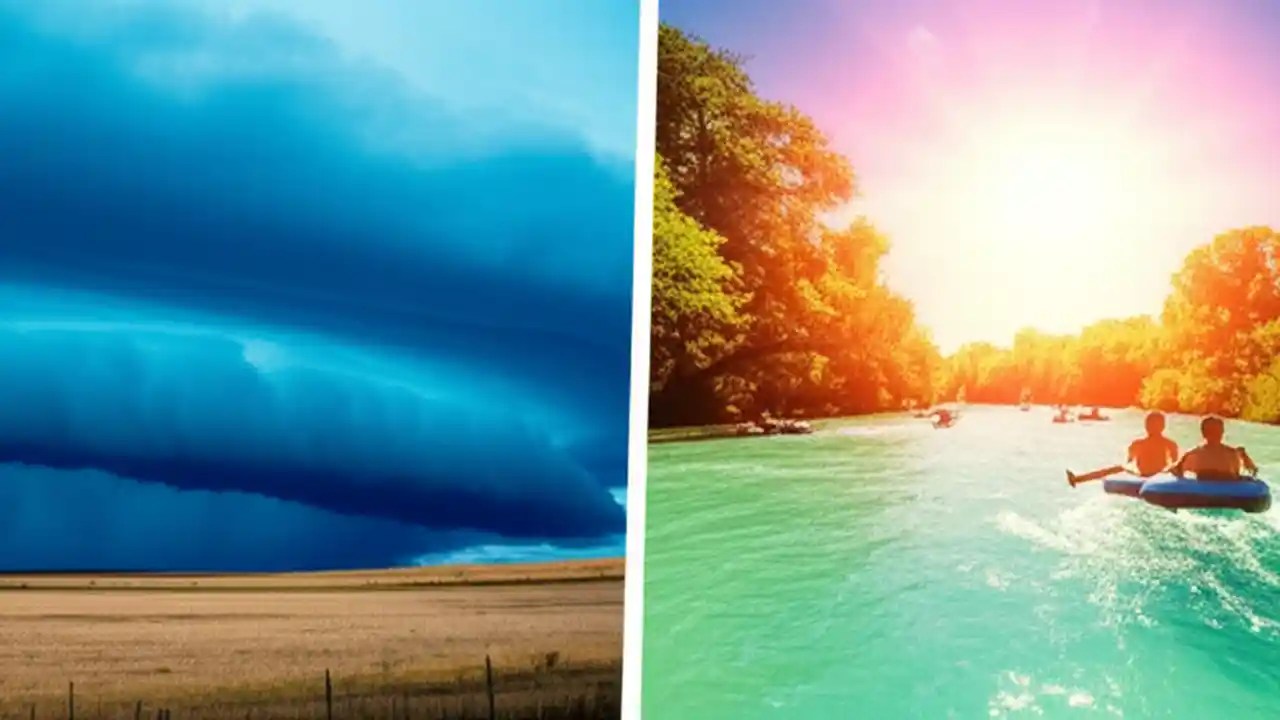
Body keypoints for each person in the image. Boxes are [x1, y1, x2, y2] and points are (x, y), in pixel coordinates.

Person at [1066, 411, 1178, 487]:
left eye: (1155, 425)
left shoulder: (1169, 445)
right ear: (1145, 426)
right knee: (1119, 467)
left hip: (1160, 476)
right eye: (1149, 424)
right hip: (1140, 475)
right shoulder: (1137, 444)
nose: (1151, 427)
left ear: (1162, 426)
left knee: (1122, 467)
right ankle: (1078, 479)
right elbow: (1129, 463)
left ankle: (1078, 479)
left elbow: (1175, 466)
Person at [1170, 416, 1258, 481]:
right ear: (1222, 432)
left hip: (1204, 491)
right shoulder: (1233, 453)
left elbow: (1176, 472)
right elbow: (1253, 471)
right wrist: (1244, 456)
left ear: (1203, 433)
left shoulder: (1194, 454)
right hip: (1231, 492)